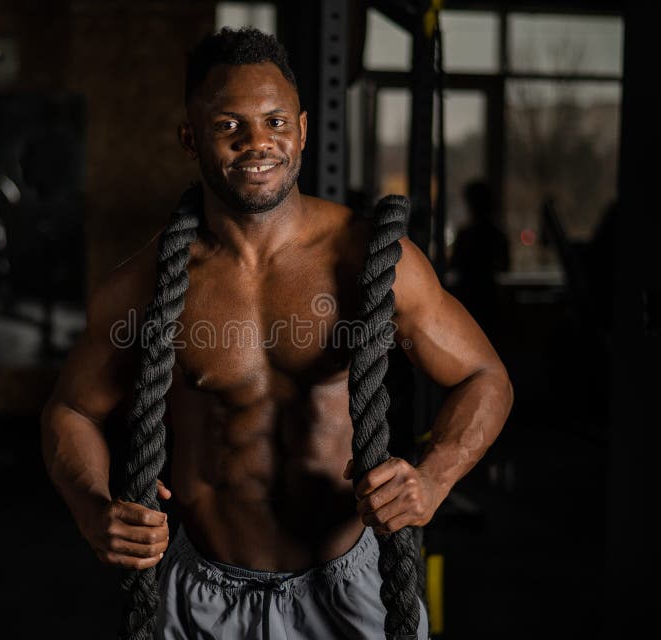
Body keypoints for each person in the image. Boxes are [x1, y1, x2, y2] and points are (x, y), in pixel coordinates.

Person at [41, 27, 513, 639]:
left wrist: (434, 478)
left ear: (304, 131)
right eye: (229, 125)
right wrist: (92, 510)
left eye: (275, 122)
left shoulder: (373, 260)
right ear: (191, 138)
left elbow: (486, 377)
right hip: (203, 598)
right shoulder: (141, 287)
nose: (258, 143)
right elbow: (69, 410)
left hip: (351, 588)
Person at [447, 179, 510, 340]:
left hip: (468, 295)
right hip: (489, 296)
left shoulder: (465, 235)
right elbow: (505, 265)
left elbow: (453, 264)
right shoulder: (498, 235)